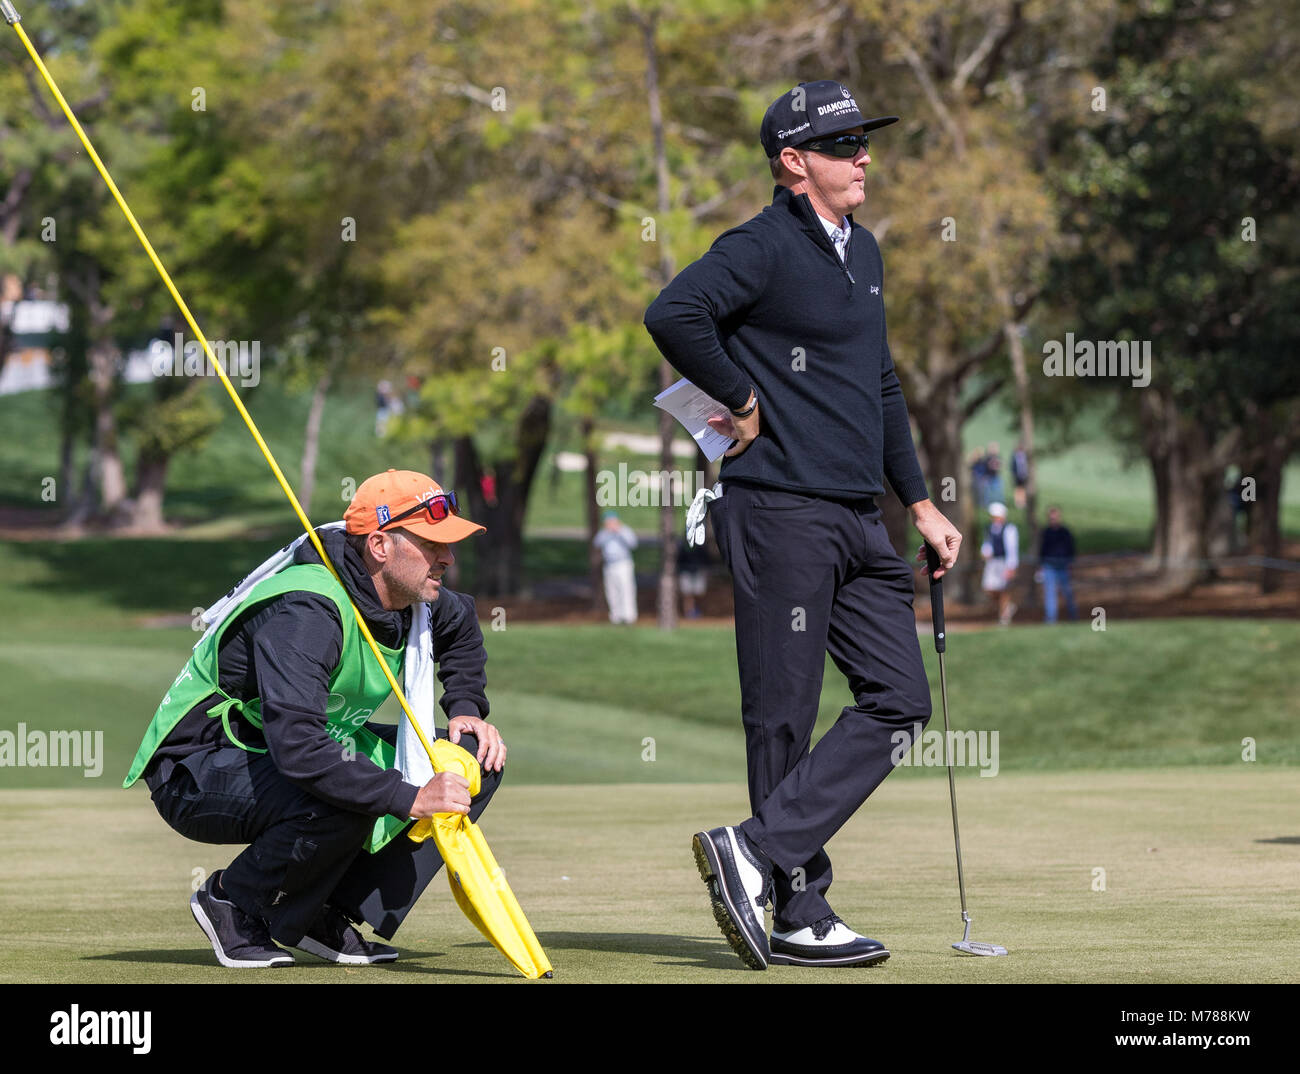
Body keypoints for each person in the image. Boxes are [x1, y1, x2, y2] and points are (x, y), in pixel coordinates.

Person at [644, 80, 961, 970]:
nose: (864, 156)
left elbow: (882, 382)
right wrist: (741, 397)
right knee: (781, 712)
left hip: (864, 520)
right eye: (845, 144)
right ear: (794, 162)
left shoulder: (863, 253)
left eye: (865, 141)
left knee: (899, 700)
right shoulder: (762, 246)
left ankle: (752, 848)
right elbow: (673, 312)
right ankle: (800, 908)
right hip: (778, 509)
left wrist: (922, 502)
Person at [123, 469, 506, 968]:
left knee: (474, 761)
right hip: (200, 765)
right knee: (344, 792)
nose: (447, 558)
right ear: (380, 546)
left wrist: (466, 710)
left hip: (291, 748)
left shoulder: (413, 597)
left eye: (448, 544)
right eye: (432, 543)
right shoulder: (305, 611)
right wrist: (409, 797)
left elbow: (461, 629)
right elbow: (301, 749)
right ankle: (232, 903)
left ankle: (320, 913)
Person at [592, 511, 638, 624]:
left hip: (623, 564)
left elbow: (633, 543)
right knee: (612, 591)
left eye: (612, 521)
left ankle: (629, 616)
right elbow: (596, 543)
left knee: (626, 590)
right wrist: (607, 532)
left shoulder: (624, 530)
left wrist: (618, 531)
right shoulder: (604, 533)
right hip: (609, 565)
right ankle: (616, 616)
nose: (610, 524)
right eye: (608, 522)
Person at [980, 501, 1019, 625]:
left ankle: (1004, 616)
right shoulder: (989, 529)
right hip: (992, 562)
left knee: (1004, 589)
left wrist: (1011, 567)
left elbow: (1012, 549)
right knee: (988, 588)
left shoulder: (1009, 529)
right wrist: (985, 552)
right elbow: (987, 544)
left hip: (1004, 561)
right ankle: (1008, 607)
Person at [1039, 505, 1078, 623]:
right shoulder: (1045, 532)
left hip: (1062, 566)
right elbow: (1042, 550)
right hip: (1049, 566)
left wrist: (1070, 562)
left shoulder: (1065, 532)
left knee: (1067, 592)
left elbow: (1071, 549)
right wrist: (1041, 565)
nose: (1053, 520)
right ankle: (1051, 620)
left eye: (1055, 517)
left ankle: (1073, 618)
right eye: (1051, 518)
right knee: (1050, 594)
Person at [677, 535, 710, 619]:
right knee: (687, 594)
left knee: (698, 593)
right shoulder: (684, 546)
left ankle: (696, 610)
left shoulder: (700, 545)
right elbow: (679, 559)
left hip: (697, 571)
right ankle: (689, 612)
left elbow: (705, 559)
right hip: (686, 571)